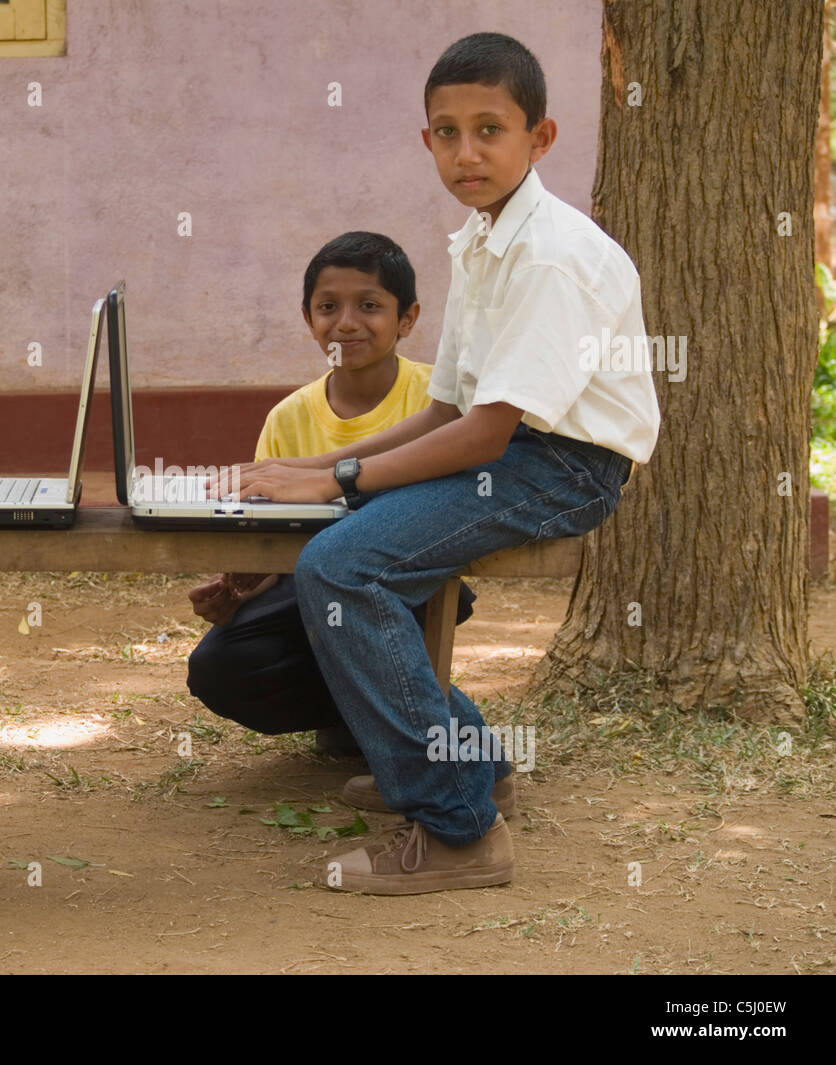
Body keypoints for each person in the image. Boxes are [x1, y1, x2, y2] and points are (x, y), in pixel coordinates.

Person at [214, 32, 660, 895]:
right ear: (427, 142)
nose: (467, 152)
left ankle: (460, 831)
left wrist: (334, 481)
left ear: (541, 138)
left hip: (567, 464)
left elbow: (486, 434)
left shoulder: (550, 254)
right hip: (515, 444)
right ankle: (475, 764)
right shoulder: (482, 238)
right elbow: (446, 408)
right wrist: (322, 464)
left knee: (342, 567)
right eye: (446, 132)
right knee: (342, 542)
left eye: (490, 129)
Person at [186, 232, 486, 768]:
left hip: (408, 584)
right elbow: (274, 542)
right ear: (308, 319)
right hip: (307, 588)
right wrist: (244, 585)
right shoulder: (288, 417)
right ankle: (358, 714)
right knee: (220, 668)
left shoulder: (436, 401)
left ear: (407, 319)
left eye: (369, 306)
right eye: (328, 307)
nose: (346, 323)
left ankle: (435, 739)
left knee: (385, 602)